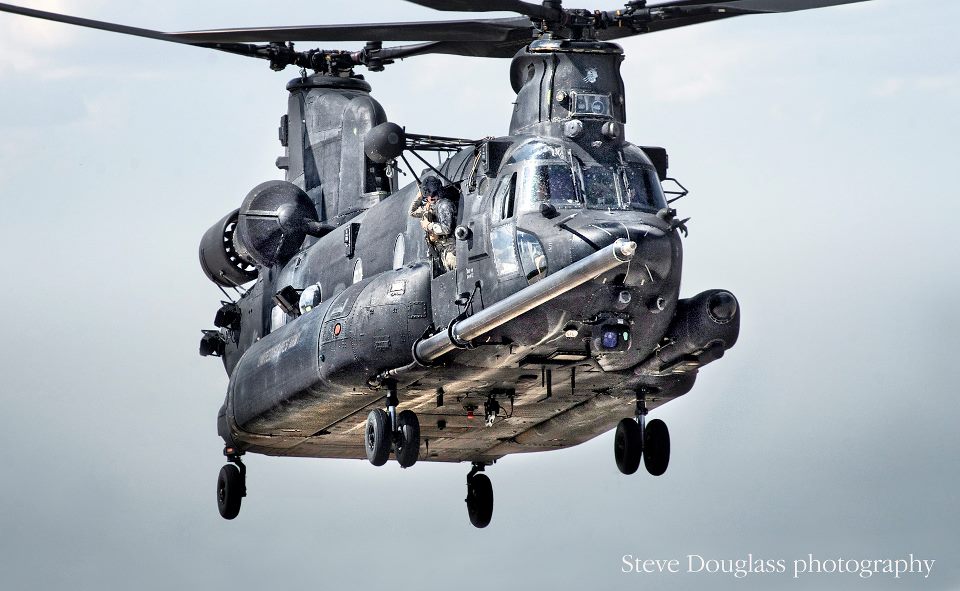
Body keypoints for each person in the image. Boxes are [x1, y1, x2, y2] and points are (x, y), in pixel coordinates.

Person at [409, 175, 457, 272]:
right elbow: (412, 212)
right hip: (442, 250)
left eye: (430, 195)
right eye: (427, 196)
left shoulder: (444, 205)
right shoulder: (430, 207)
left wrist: (428, 226)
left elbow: (446, 229)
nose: (430, 198)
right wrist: (419, 195)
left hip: (451, 250)